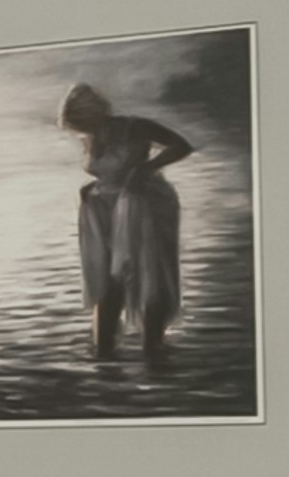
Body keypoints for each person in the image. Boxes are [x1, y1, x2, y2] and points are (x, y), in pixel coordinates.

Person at [65, 80, 194, 362]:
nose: (85, 132)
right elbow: (105, 170)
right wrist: (93, 185)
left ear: (97, 114)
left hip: (144, 203)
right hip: (103, 208)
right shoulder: (90, 137)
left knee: (147, 272)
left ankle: (153, 349)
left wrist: (145, 168)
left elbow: (182, 146)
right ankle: (105, 354)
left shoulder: (135, 127)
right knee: (107, 279)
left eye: (85, 123)